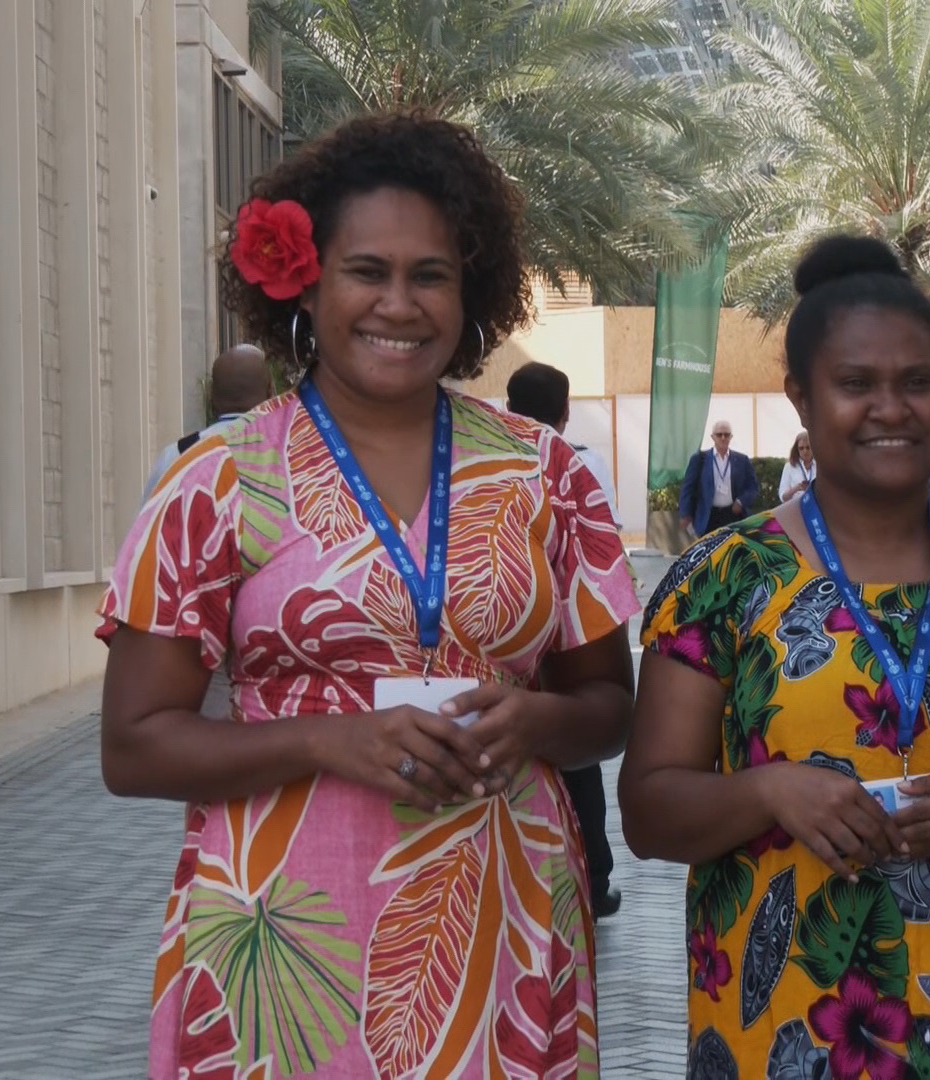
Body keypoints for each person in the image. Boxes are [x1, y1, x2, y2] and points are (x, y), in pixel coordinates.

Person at [97, 111, 641, 1077]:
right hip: (280, 938)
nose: (400, 304)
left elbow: (608, 709)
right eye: (367, 272)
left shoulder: (545, 475)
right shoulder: (218, 478)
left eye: (430, 274)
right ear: (306, 283)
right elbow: (134, 747)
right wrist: (325, 738)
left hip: (499, 926)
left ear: (471, 292)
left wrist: (532, 723)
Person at [619, 235, 930, 1074]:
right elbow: (647, 813)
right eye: (855, 385)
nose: (890, 408)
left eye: (917, 384)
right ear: (801, 398)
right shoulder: (722, 577)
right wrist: (769, 791)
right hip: (787, 1024)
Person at [503, 359, 626, 919]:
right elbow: (607, 548)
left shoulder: (531, 467)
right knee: (583, 778)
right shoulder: (581, 465)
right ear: (567, 408)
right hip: (570, 653)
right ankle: (595, 878)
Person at [140, 344, 274, 502]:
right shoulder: (291, 456)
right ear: (270, 393)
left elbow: (148, 523)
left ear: (211, 395)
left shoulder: (176, 456)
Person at [505, 359, 620, 510]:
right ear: (566, 409)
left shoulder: (490, 464)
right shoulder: (589, 463)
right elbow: (609, 528)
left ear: (508, 410)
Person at [678, 419, 759, 537]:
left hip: (732, 515)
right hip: (708, 516)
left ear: (731, 437)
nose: (723, 438)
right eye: (719, 434)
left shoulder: (742, 460)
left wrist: (741, 501)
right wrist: (685, 514)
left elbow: (753, 487)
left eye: (726, 435)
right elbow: (688, 488)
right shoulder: (700, 459)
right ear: (712, 437)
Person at [777, 429, 816, 501]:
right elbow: (783, 497)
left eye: (808, 448)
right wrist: (796, 488)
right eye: (801, 448)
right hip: (795, 507)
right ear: (797, 449)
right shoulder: (789, 467)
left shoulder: (819, 466)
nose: (805, 451)